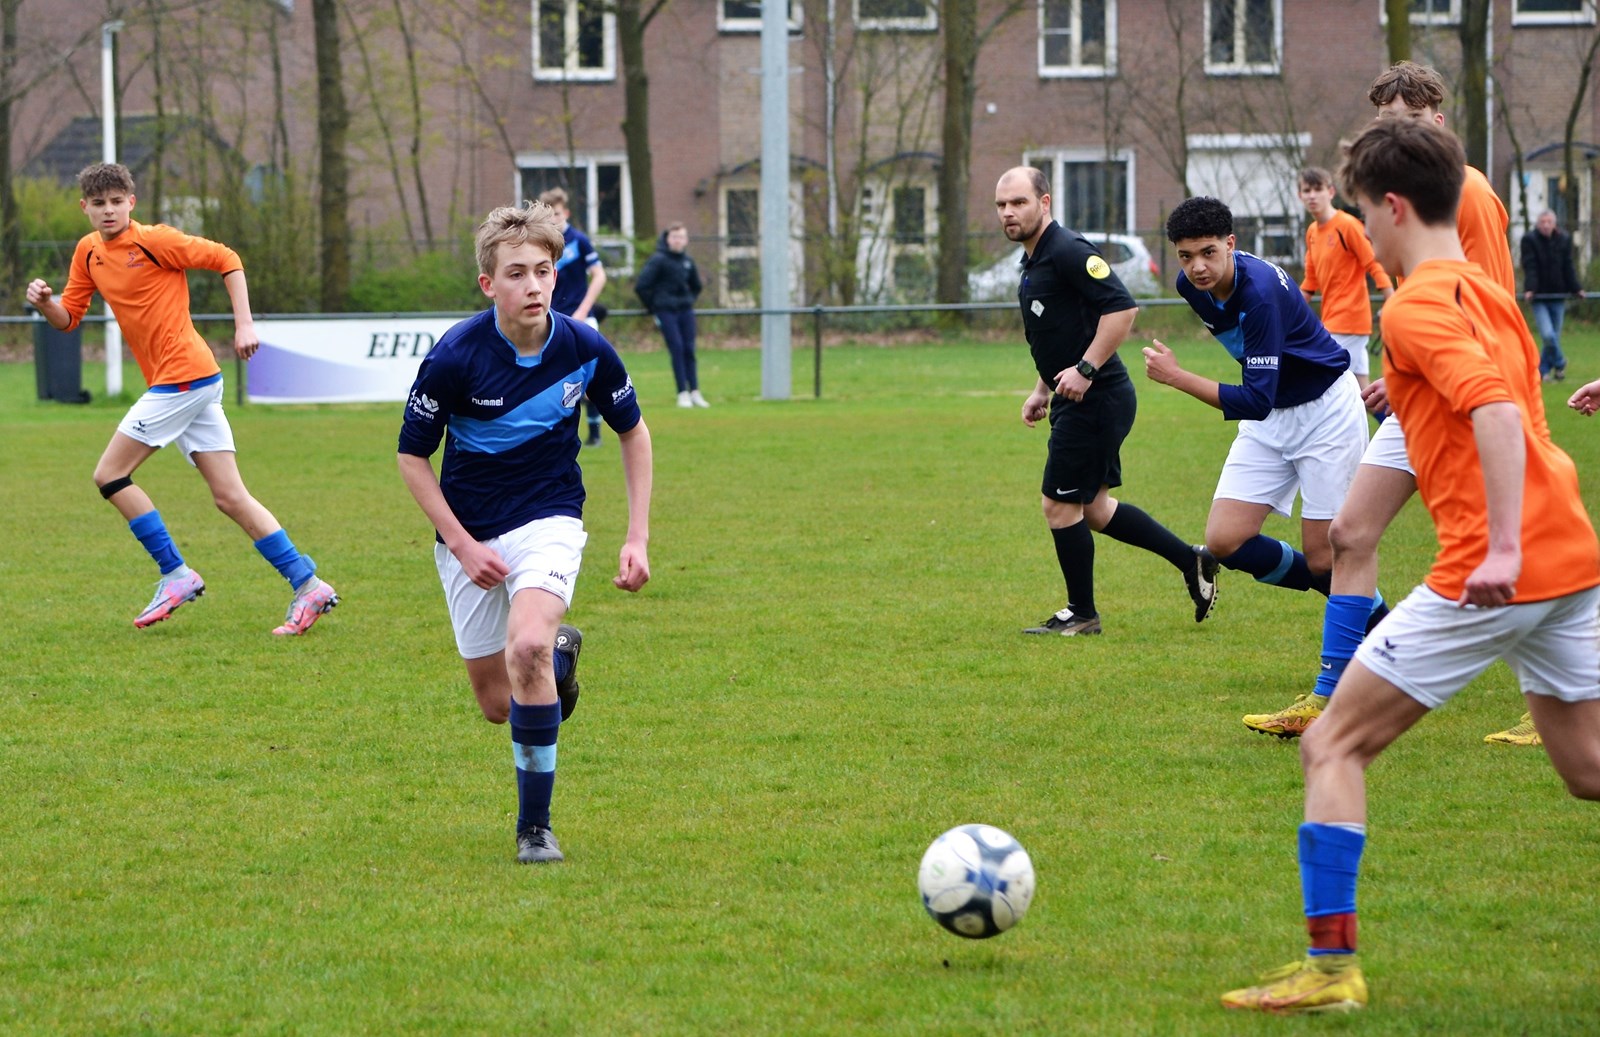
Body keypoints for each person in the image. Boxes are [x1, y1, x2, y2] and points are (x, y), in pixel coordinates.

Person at [1220, 115, 1600, 1017]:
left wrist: (1499, 546)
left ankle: (1329, 966)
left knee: (1332, 741)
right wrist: (1408, 385)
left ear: (1393, 207)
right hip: (1573, 555)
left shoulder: (1419, 303)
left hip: (1494, 570)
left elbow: (1500, 413)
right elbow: (1498, 390)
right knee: (1587, 769)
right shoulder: (1481, 287)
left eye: (1362, 214)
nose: (1361, 232)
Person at [1243, 61, 1533, 743]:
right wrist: (1402, 375)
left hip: (1473, 395)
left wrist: (1439, 376)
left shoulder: (1470, 191)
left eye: (1405, 119)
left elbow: (1489, 301)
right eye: (1383, 122)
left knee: (1516, 541)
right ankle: (1330, 692)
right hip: (1418, 393)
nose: (1393, 134)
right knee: (1349, 533)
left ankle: (1566, 702)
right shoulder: (1395, 198)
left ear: (1436, 117)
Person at [397, 202, 652, 865]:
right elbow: (410, 456)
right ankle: (555, 659)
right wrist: (459, 541)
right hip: (469, 534)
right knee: (495, 703)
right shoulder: (455, 355)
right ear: (489, 284)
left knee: (528, 645)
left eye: (544, 270)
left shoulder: (583, 346)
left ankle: (534, 828)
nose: (535, 285)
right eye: (517, 273)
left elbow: (633, 431)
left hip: (550, 515)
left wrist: (636, 535)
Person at [24, 162, 338, 635]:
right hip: (186, 382)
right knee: (231, 497)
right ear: (84, 208)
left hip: (183, 378)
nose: (108, 211)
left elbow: (227, 259)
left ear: (131, 202)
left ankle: (176, 574)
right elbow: (69, 318)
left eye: (116, 201)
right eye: (98, 203)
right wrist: (46, 302)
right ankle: (308, 584)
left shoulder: (156, 240)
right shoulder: (88, 252)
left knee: (110, 475)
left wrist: (245, 324)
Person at [993, 166, 1217, 637]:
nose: (1009, 213)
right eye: (1002, 205)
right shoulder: (1035, 260)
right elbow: (1060, 334)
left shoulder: (1069, 250)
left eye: (1018, 202)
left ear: (1045, 202)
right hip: (1080, 397)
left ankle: (1082, 613)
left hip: (1098, 398)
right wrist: (1042, 389)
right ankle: (1191, 559)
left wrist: (1086, 370)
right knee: (1093, 509)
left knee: (1058, 505)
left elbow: (1123, 309)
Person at [1144, 197, 1368, 622]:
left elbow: (1255, 400)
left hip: (1325, 414)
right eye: (1186, 256)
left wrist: (1177, 377)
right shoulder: (1189, 286)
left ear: (1231, 243)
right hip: (1272, 415)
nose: (1198, 268)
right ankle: (1345, 598)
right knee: (1226, 539)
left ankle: (1380, 635)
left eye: (1209, 252)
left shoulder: (1260, 294)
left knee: (1326, 557)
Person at [1297, 167, 1393, 392]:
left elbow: (1373, 262)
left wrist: (1391, 297)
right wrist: (1284, 313)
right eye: (1306, 190)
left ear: (1330, 192)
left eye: (1318, 189)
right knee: (1364, 395)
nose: (1312, 195)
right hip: (1334, 320)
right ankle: (1400, 426)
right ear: (1300, 195)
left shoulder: (1347, 225)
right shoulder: (1312, 232)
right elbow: (1310, 282)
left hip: (1349, 321)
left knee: (1319, 382)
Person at [538, 186, 609, 447]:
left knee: (589, 378)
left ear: (565, 212)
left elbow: (600, 275)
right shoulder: (543, 246)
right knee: (550, 378)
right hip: (551, 320)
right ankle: (552, 435)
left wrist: (583, 309)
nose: (553, 220)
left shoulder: (579, 240)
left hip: (580, 318)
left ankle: (595, 433)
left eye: (556, 214)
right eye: (548, 216)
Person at [635, 223, 708, 408]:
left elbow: (696, 286)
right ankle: (682, 392)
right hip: (666, 311)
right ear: (668, 239)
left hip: (685, 310)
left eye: (681, 237)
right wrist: (654, 306)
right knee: (677, 348)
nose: (677, 240)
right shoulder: (658, 260)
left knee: (689, 349)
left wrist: (688, 299)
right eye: (674, 237)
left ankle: (695, 392)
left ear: (686, 240)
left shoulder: (688, 262)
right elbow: (642, 286)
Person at [1521, 209, 1584, 382]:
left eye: (1549, 222)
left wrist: (1576, 288)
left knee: (1553, 338)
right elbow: (1530, 265)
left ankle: (1545, 372)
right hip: (1539, 297)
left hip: (1558, 295)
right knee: (1548, 335)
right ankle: (1560, 361)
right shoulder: (1529, 240)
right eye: (1543, 222)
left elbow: (1568, 266)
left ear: (1554, 223)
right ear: (1538, 224)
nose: (1546, 225)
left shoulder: (1564, 239)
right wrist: (1530, 288)